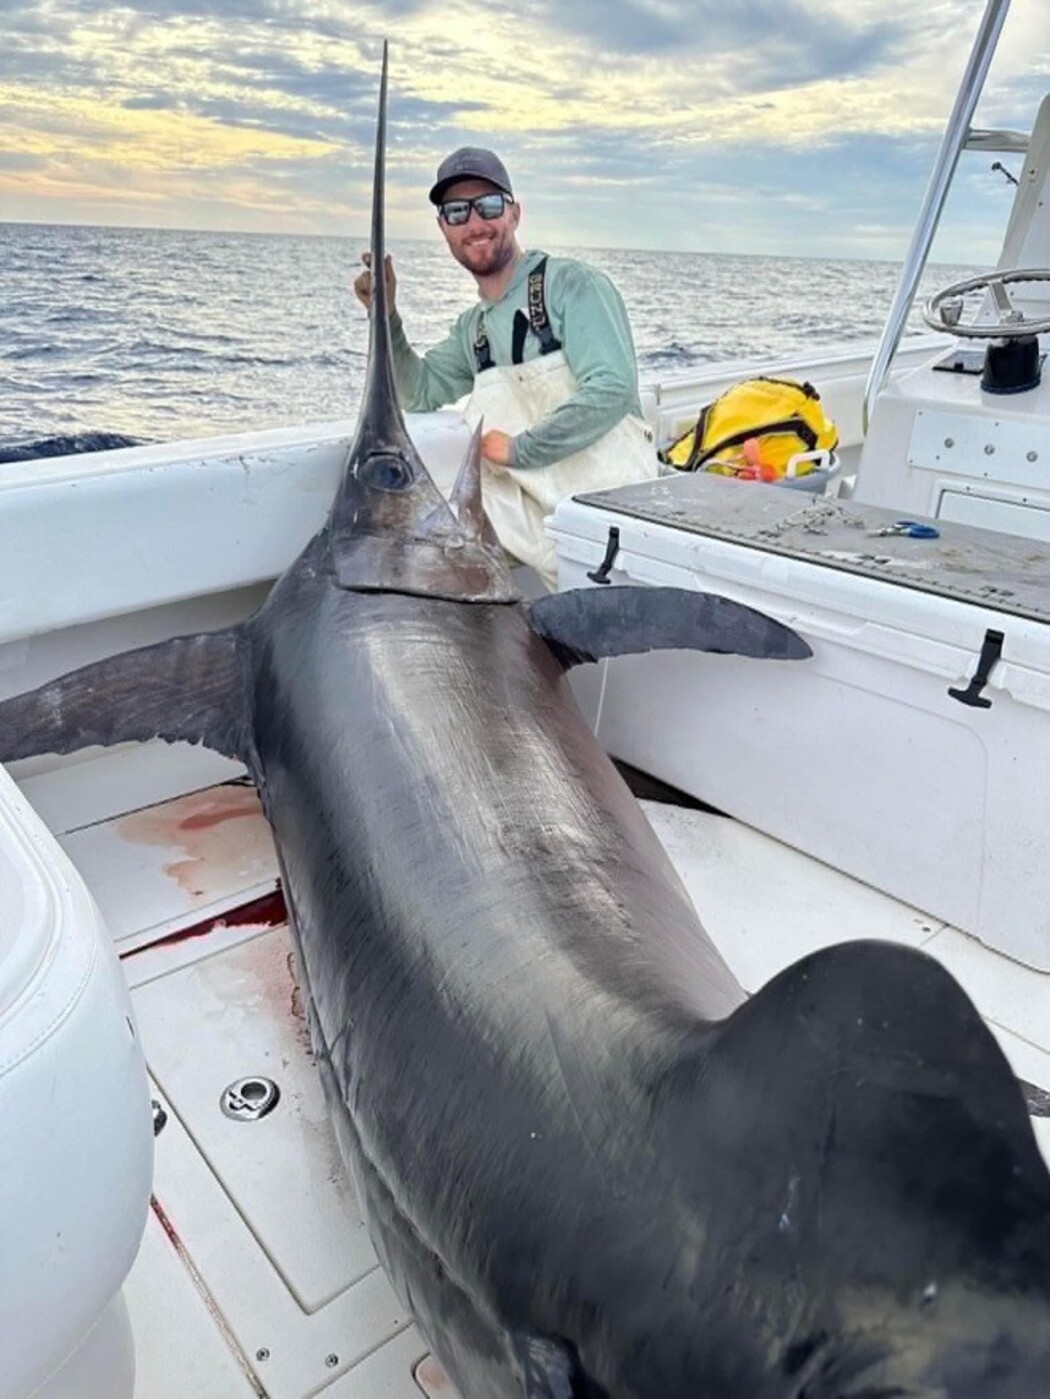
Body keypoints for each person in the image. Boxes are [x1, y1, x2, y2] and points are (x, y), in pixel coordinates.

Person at [353, 146, 658, 588]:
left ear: (515, 214)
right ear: (444, 229)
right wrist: (385, 315)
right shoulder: (472, 330)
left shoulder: (573, 285)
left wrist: (518, 451)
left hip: (625, 530)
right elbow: (416, 391)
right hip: (554, 546)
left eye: (489, 206)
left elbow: (611, 388)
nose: (475, 224)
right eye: (457, 212)